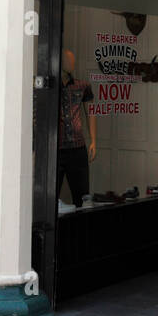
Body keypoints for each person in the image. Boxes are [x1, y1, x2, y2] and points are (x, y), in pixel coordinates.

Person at [57, 49, 96, 209]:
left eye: (73, 60)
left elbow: (90, 113)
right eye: (68, 60)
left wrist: (94, 140)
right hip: (56, 149)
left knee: (82, 197)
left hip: (77, 148)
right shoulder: (50, 86)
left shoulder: (83, 86)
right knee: (50, 195)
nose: (71, 64)